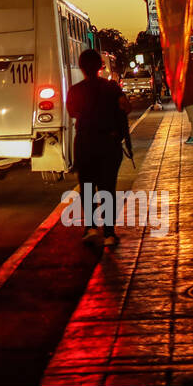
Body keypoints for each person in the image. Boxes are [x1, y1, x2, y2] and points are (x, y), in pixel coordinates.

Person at [66, 48, 131, 247]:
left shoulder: (75, 90)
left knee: (87, 187)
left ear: (82, 67)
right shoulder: (111, 87)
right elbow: (126, 107)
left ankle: (91, 228)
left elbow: (72, 112)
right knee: (108, 187)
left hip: (85, 143)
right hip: (108, 143)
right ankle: (109, 233)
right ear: (100, 66)